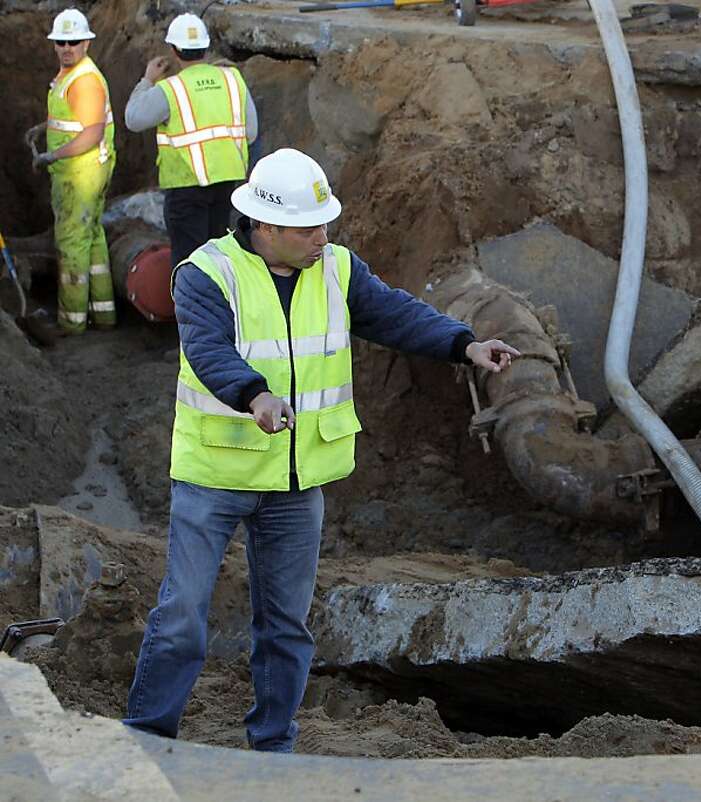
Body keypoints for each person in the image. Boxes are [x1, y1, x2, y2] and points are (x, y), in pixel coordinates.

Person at [122, 147, 520, 752]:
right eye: (308, 227)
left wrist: (461, 345)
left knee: (286, 627)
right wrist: (253, 394)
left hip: (295, 481)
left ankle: (273, 747)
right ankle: (149, 739)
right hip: (216, 475)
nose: (321, 236)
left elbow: (394, 314)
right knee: (181, 622)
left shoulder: (337, 268)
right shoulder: (206, 273)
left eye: (324, 224)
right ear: (265, 225)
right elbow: (207, 351)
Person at [124, 13, 259, 268]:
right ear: (206, 48)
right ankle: (219, 307)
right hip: (226, 184)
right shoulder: (232, 79)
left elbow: (133, 119)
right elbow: (250, 133)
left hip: (185, 187)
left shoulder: (171, 88)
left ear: (174, 51)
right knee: (219, 257)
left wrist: (147, 80)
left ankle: (189, 307)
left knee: (189, 263)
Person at [31, 8, 117, 335]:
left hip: (79, 176)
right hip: (83, 171)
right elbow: (74, 120)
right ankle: (104, 314)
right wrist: (44, 128)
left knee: (71, 244)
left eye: (74, 41)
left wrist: (51, 156)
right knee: (92, 239)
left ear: (87, 44)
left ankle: (72, 322)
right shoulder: (71, 75)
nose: (67, 47)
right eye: (61, 41)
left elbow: (92, 133)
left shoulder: (84, 81)